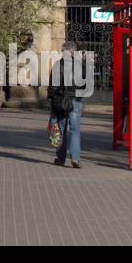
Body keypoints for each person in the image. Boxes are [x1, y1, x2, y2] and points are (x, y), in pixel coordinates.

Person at [49, 40, 84, 169]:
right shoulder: (80, 65)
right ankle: (75, 158)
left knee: (61, 130)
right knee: (75, 131)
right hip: (75, 101)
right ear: (73, 52)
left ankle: (61, 158)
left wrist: (52, 98)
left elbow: (53, 86)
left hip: (62, 101)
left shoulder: (58, 65)